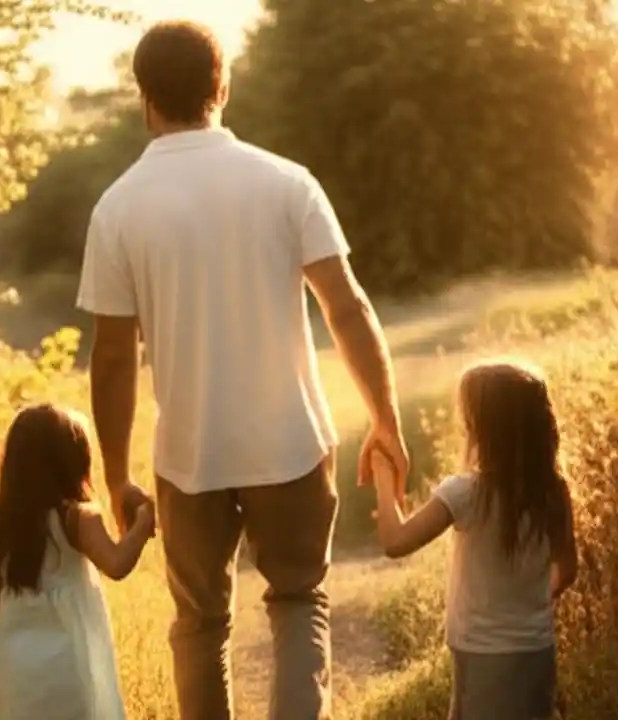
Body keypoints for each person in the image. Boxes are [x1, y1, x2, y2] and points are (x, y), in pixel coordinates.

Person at [77, 20, 408, 720]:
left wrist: (114, 475)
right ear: (222, 87)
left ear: (144, 98)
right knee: (296, 601)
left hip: (189, 455)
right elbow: (346, 308)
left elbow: (112, 359)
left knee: (199, 625)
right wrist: (386, 420)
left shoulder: (117, 208)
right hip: (289, 441)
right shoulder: (287, 183)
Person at [368, 361, 579, 720]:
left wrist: (382, 476)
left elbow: (395, 540)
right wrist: (527, 607)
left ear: (483, 431)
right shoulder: (553, 491)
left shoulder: (466, 492)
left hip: (484, 655)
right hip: (536, 649)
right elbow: (568, 568)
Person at [0, 404, 156, 719]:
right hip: (70, 661)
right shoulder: (77, 518)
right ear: (74, 461)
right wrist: (142, 524)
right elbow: (116, 564)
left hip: (16, 667)